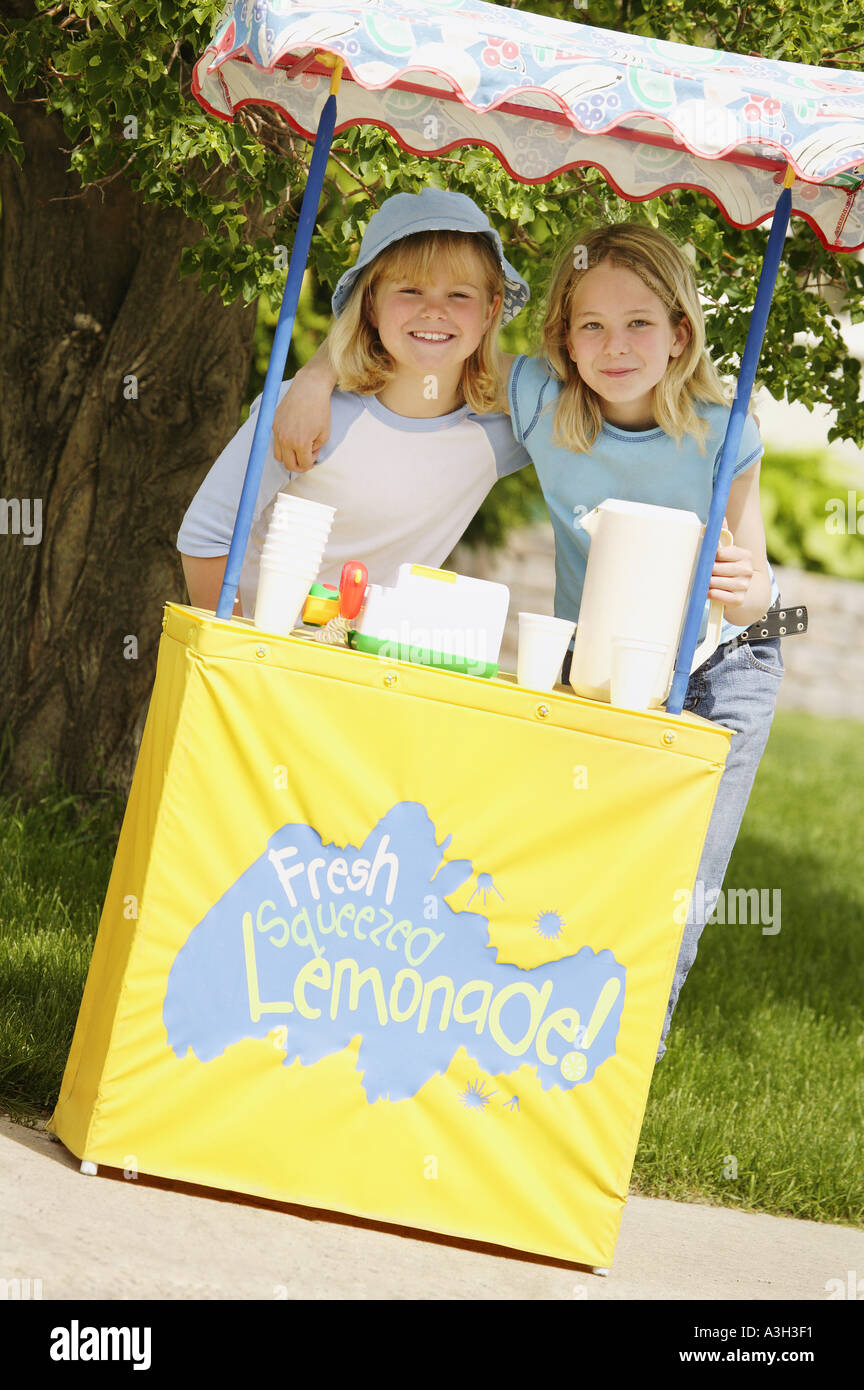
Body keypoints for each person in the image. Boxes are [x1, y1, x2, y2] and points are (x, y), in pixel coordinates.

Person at [276, 220, 784, 1062]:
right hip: (600, 653)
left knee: (679, 876)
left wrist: (750, 589)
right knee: (571, 841)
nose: (614, 345)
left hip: (719, 660)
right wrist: (312, 377)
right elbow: (423, 350)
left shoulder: (723, 432)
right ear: (563, 340)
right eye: (592, 325)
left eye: (639, 325)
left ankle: (630, 1058)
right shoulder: (543, 401)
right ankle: (544, 1030)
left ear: (680, 335)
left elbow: (761, 591)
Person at [176, 188, 532, 618]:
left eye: (459, 295)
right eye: (410, 290)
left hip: (359, 669)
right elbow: (208, 535)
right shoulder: (306, 412)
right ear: (371, 303)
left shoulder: (501, 431)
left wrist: (317, 369)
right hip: (258, 659)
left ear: (492, 310)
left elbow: (586, 386)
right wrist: (240, 645)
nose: (434, 311)